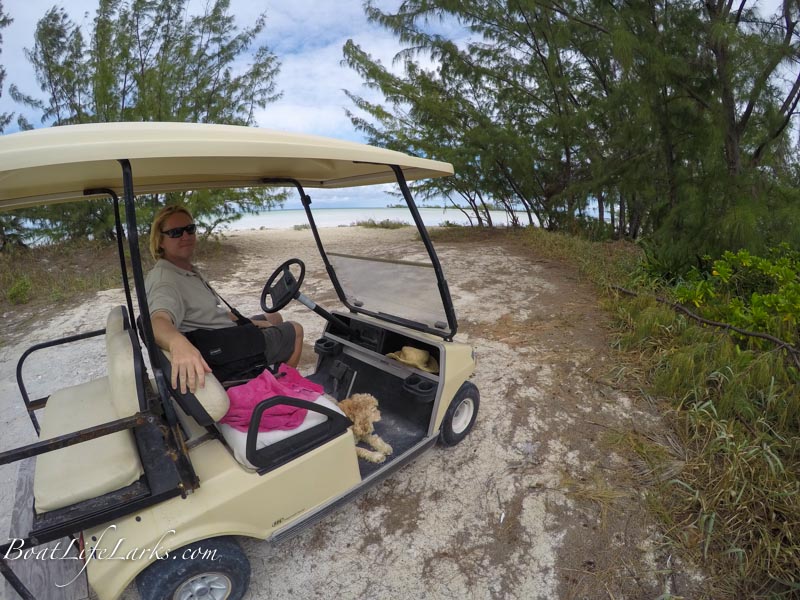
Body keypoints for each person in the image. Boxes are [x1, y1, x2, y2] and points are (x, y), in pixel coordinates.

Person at [145, 205, 303, 394]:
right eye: (175, 232)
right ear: (160, 241)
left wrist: (255, 323)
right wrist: (177, 343)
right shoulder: (166, 281)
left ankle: (271, 368)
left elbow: (211, 313)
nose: (185, 236)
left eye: (190, 229)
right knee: (296, 329)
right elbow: (157, 321)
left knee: (274, 318)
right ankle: (285, 387)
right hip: (221, 350)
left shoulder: (184, 270)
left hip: (218, 334)